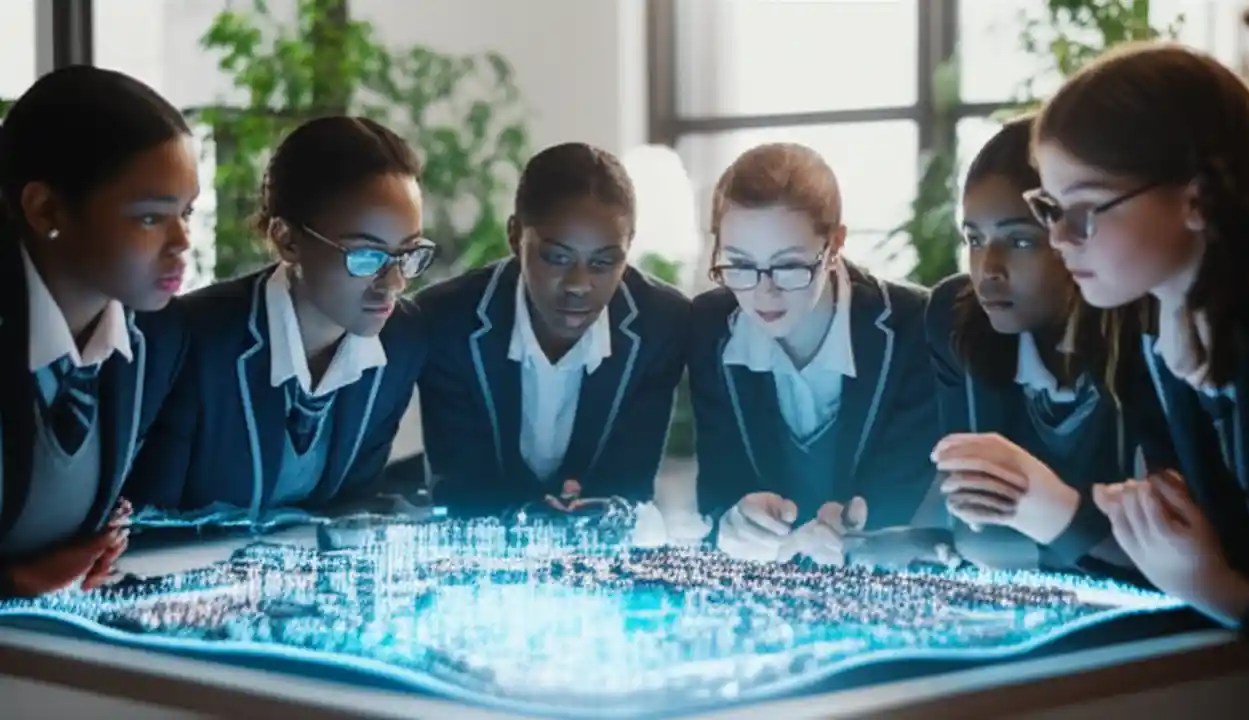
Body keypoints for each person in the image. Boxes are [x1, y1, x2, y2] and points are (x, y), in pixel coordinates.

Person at [938, 43, 1249, 643]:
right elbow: (1185, 560)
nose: (1060, 239)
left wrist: (1221, 592)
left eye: (1087, 209)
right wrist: (1048, 508)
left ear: (1196, 200)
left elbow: (1217, 578)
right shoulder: (1153, 325)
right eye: (1051, 208)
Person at [127, 117, 433, 515]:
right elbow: (147, 520)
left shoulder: (401, 340)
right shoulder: (191, 341)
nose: (394, 282)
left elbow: (353, 502)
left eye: (408, 254)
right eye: (366, 256)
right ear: (286, 239)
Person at [927, 117, 1171, 573]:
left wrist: (1051, 508)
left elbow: (1177, 554)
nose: (988, 269)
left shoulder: (1152, 332)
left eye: (1020, 240)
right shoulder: (955, 319)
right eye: (974, 239)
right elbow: (977, 530)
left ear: (1078, 234)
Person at [404, 142, 689, 515]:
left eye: (604, 262)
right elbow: (459, 486)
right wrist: (528, 516)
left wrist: (597, 511)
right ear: (514, 236)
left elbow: (630, 486)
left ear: (629, 245)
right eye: (557, 257)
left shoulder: (661, 325)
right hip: (486, 540)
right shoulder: (446, 321)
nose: (579, 284)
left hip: (598, 542)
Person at [688, 143, 940, 564]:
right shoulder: (712, 326)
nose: (764, 291)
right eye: (740, 264)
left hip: (881, 580)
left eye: (788, 266)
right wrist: (734, 520)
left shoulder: (912, 326)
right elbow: (718, 491)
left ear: (835, 244)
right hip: (764, 583)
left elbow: (903, 497)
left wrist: (853, 533)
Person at [0, 67, 195, 596]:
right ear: (46, 209)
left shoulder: (155, 340)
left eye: (186, 212)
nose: (182, 240)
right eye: (151, 217)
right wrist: (15, 582)